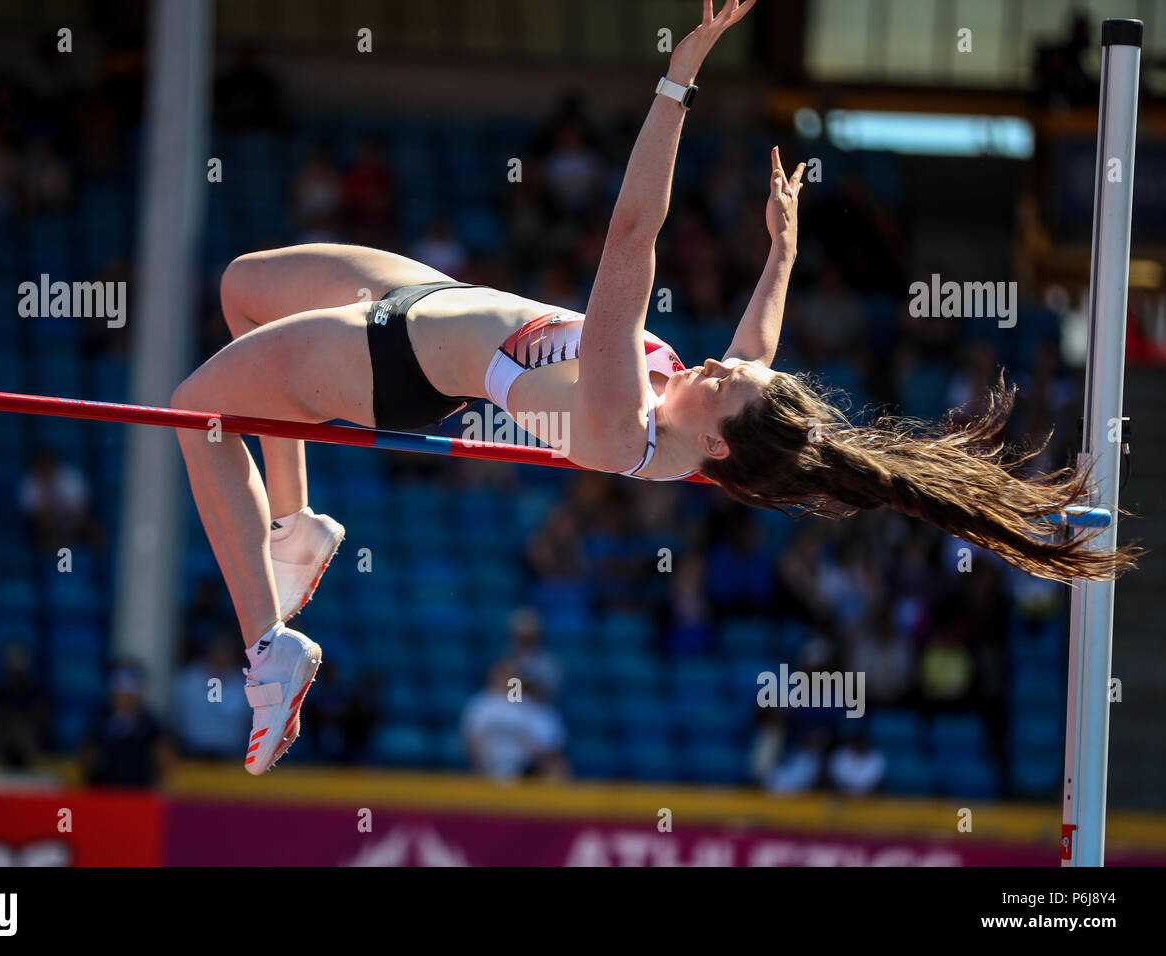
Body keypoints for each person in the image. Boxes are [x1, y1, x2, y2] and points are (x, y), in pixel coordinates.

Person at [169, 0, 1135, 775]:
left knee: (196, 413)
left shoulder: (619, 419)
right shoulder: (701, 412)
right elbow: (755, 351)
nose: (718, 363)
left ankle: (269, 649)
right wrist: (783, 252)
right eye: (731, 368)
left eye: (725, 385)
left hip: (394, 363)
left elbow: (631, 238)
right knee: (241, 289)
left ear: (715, 442)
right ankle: (293, 528)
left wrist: (679, 78)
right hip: (428, 298)